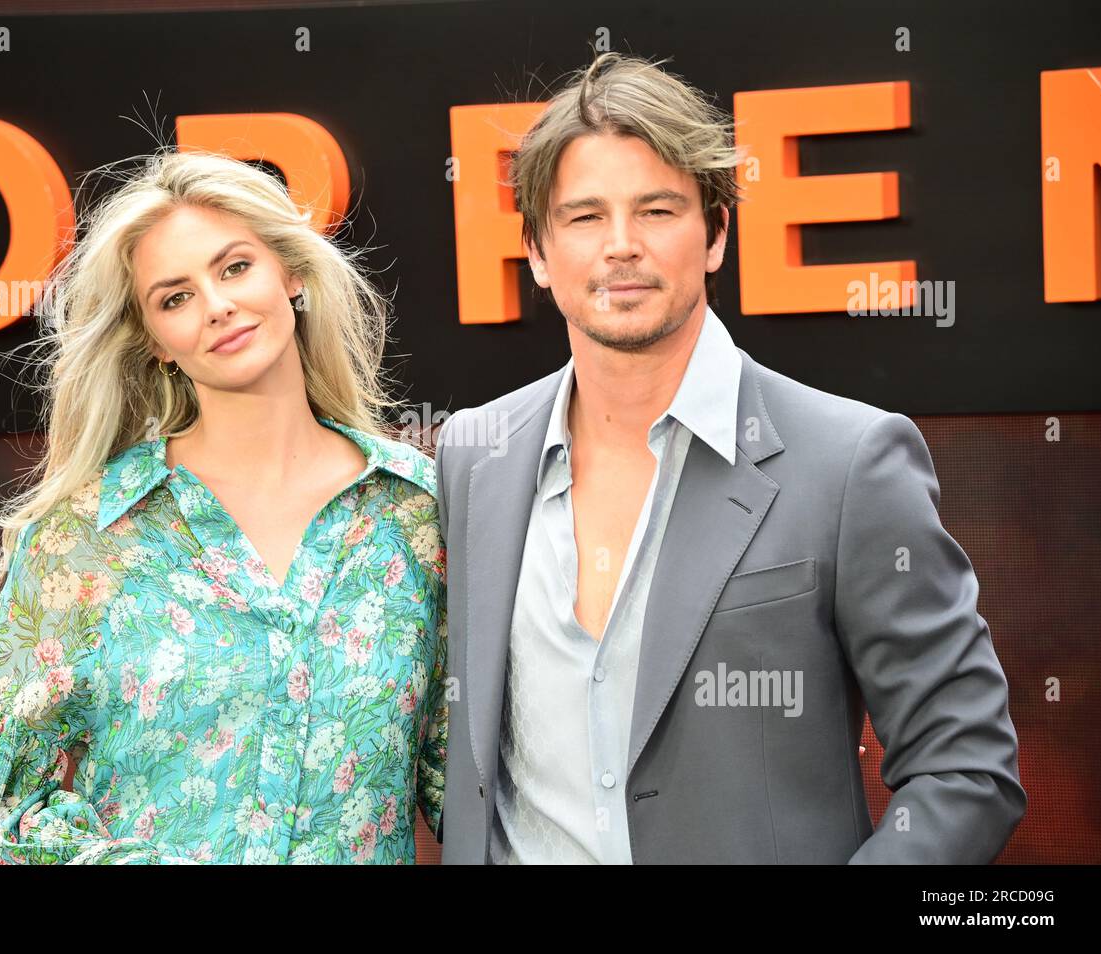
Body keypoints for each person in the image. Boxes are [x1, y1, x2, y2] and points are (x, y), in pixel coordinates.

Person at [434, 53, 1025, 863]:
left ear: (715, 234)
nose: (621, 247)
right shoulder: (472, 454)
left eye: (657, 210)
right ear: (536, 252)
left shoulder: (850, 460)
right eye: (583, 217)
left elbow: (967, 767)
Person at [0, 149, 447, 864]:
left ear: (290, 273)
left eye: (235, 267)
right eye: (175, 297)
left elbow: (483, 789)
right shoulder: (88, 537)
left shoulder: (418, 514)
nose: (217, 305)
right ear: (156, 343)